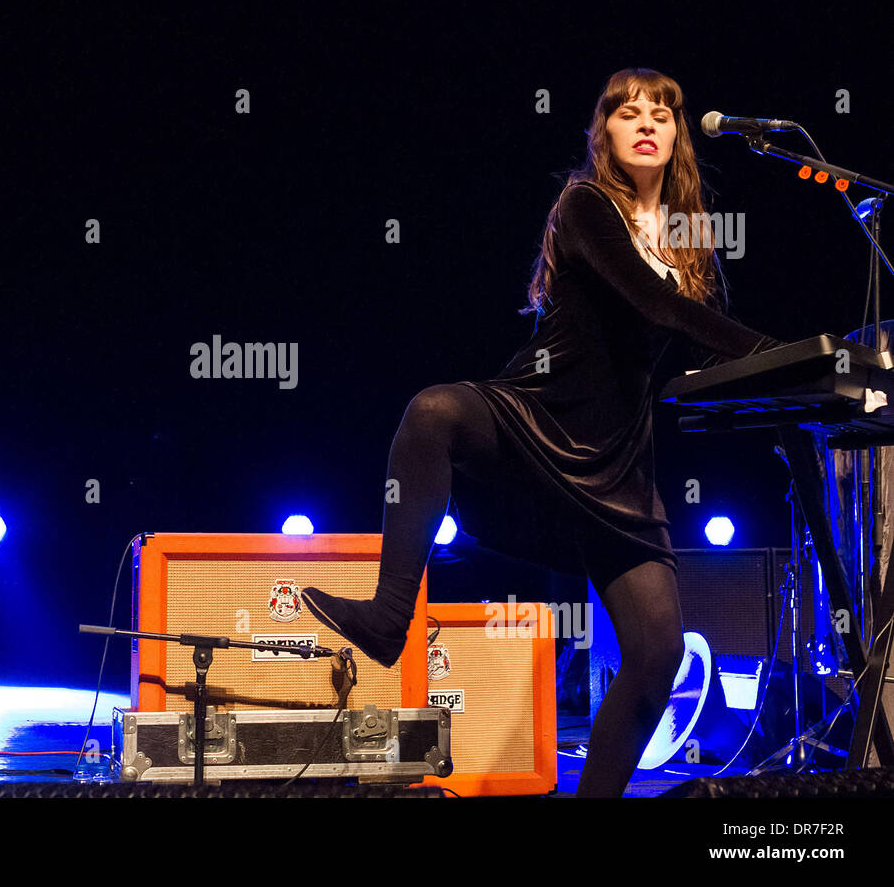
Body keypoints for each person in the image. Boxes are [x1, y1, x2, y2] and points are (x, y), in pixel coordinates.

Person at [302, 67, 784, 797]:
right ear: (605, 133)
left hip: (620, 466)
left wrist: (792, 378)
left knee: (656, 660)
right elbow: (659, 311)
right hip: (535, 418)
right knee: (431, 412)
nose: (647, 121)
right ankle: (387, 612)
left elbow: (678, 354)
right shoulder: (587, 204)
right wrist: (774, 349)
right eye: (628, 112)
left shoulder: (690, 239)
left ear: (680, 134)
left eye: (662, 111)